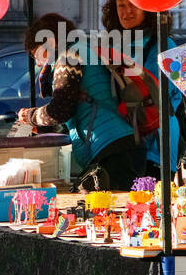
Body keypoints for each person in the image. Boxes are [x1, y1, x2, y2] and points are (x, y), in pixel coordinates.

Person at [16, 13, 145, 191]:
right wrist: (45, 127)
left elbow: (59, 111)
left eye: (36, 53)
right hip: (122, 143)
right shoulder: (84, 50)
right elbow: (78, 107)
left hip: (110, 150)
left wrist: (29, 116)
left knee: (111, 213)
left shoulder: (68, 57)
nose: (38, 62)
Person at [100, 0, 182, 178]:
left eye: (133, 5)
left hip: (156, 142)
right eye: (121, 5)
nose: (126, 11)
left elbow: (159, 93)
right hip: (122, 141)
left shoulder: (163, 44)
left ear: (148, 8)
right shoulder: (112, 44)